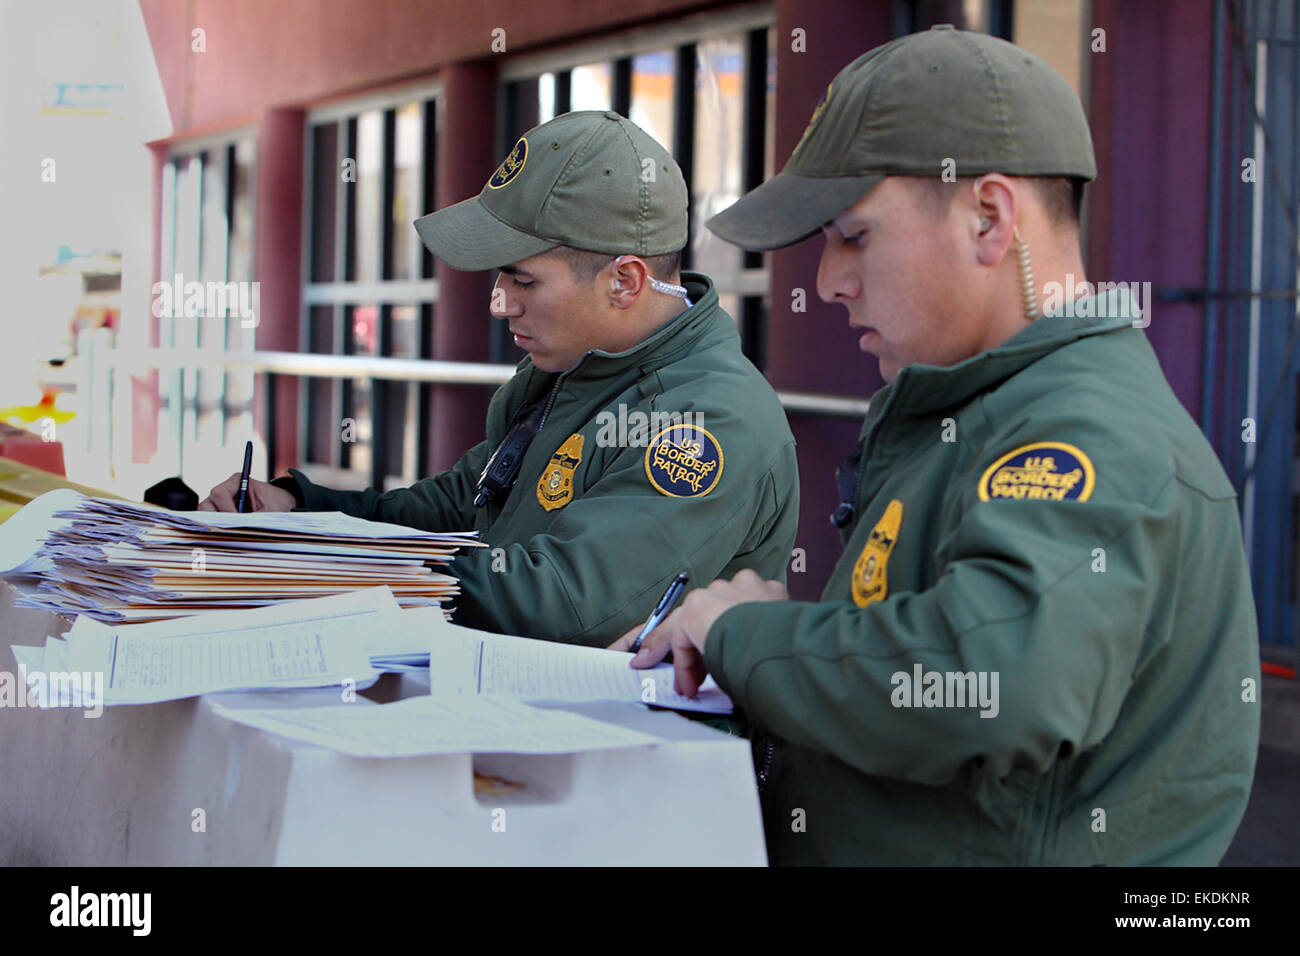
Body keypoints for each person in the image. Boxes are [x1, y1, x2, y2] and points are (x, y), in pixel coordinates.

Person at [614, 26, 1260, 864]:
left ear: (989, 219)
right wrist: (772, 635)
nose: (827, 282)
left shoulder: (1087, 431)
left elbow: (993, 680)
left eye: (854, 234)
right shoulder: (986, 407)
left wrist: (748, 637)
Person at [201, 110, 800, 647]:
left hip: (634, 759)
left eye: (524, 281)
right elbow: (463, 504)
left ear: (625, 281)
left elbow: (564, 602)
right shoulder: (577, 366)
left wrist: (323, 567)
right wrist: (300, 513)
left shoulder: (709, 417)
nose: (499, 303)